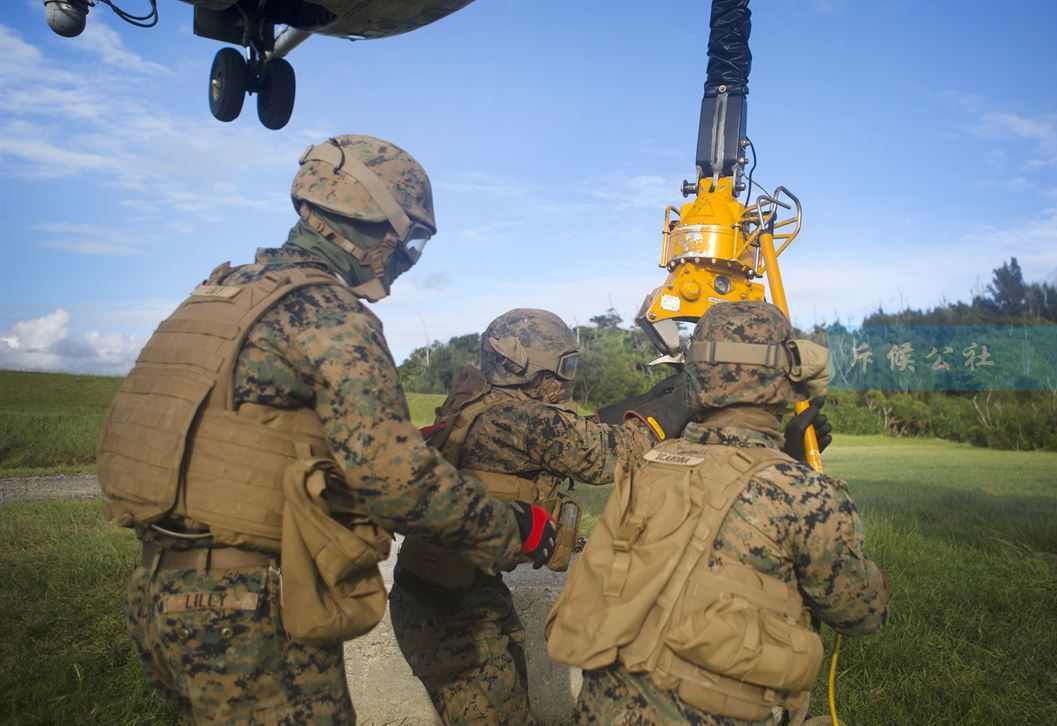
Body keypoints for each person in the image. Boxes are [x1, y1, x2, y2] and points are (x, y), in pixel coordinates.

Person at [96, 135, 558, 724]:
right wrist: (514, 528)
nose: (402, 259)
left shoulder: (219, 296)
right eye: (409, 241)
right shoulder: (328, 313)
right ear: (378, 224)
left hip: (158, 592)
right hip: (250, 608)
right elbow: (398, 484)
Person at [547, 300, 890, 726]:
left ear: (696, 374)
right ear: (782, 378)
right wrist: (795, 468)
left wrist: (783, 460)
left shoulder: (649, 464)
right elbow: (861, 613)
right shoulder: (803, 493)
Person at [389, 307, 698, 725]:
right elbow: (613, 454)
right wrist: (687, 397)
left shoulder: (489, 405)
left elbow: (582, 428)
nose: (568, 379)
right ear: (528, 370)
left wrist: (659, 394)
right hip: (450, 616)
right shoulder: (519, 419)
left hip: (458, 594)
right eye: (563, 367)